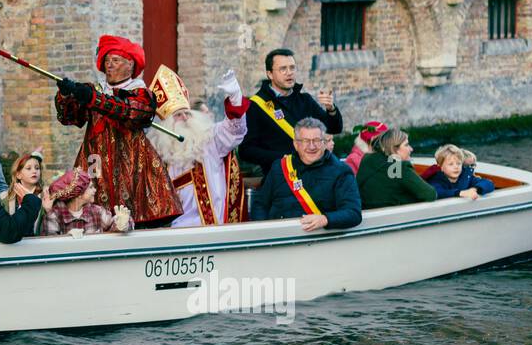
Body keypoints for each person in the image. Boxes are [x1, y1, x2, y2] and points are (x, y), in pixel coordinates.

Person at [55, 35, 181, 227]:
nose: (109, 65)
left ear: (130, 64)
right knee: (92, 216)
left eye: (115, 60)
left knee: (132, 219)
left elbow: (128, 110)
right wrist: (66, 95)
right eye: (106, 60)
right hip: (95, 161)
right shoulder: (95, 90)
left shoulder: (142, 93)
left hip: (132, 163)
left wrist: (93, 98)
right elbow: (70, 118)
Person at [147, 66, 251, 227]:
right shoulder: (159, 155)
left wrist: (235, 97)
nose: (185, 118)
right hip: (175, 235)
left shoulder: (209, 141)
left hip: (212, 230)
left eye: (187, 113)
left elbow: (235, 130)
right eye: (178, 116)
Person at [241, 48, 344, 176]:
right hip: (280, 176)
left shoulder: (305, 100)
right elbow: (246, 150)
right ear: (270, 74)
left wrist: (331, 108)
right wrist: (282, 158)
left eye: (292, 68)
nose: (289, 73)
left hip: (312, 173)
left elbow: (334, 128)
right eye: (283, 69)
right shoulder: (256, 106)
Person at [250, 118, 362, 230]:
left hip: (319, 241)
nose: (312, 146)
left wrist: (326, 219)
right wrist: (263, 230)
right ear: (296, 144)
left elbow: (353, 213)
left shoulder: (341, 171)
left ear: (324, 143)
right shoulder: (279, 167)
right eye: (305, 141)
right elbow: (260, 204)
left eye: (317, 140)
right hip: (279, 239)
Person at [355, 127, 437, 209]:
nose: (411, 149)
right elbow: (430, 195)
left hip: (367, 215)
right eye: (406, 145)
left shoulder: (367, 160)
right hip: (395, 216)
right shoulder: (399, 166)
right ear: (395, 149)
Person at [44, 168, 132, 235]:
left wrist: (122, 224)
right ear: (78, 194)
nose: (95, 190)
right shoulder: (54, 215)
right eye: (90, 187)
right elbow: (49, 245)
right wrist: (66, 239)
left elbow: (113, 224)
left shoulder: (96, 211)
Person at [425, 143, 495, 200]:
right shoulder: (436, 180)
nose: (456, 167)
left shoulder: (466, 176)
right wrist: (460, 193)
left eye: (458, 163)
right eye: (451, 164)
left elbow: (489, 183)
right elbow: (438, 192)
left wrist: (474, 189)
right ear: (441, 167)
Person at [1, 149, 46, 235]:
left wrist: (48, 210)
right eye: (28, 168)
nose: (34, 171)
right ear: (18, 174)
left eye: (37, 168)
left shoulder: (45, 196)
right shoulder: (5, 197)